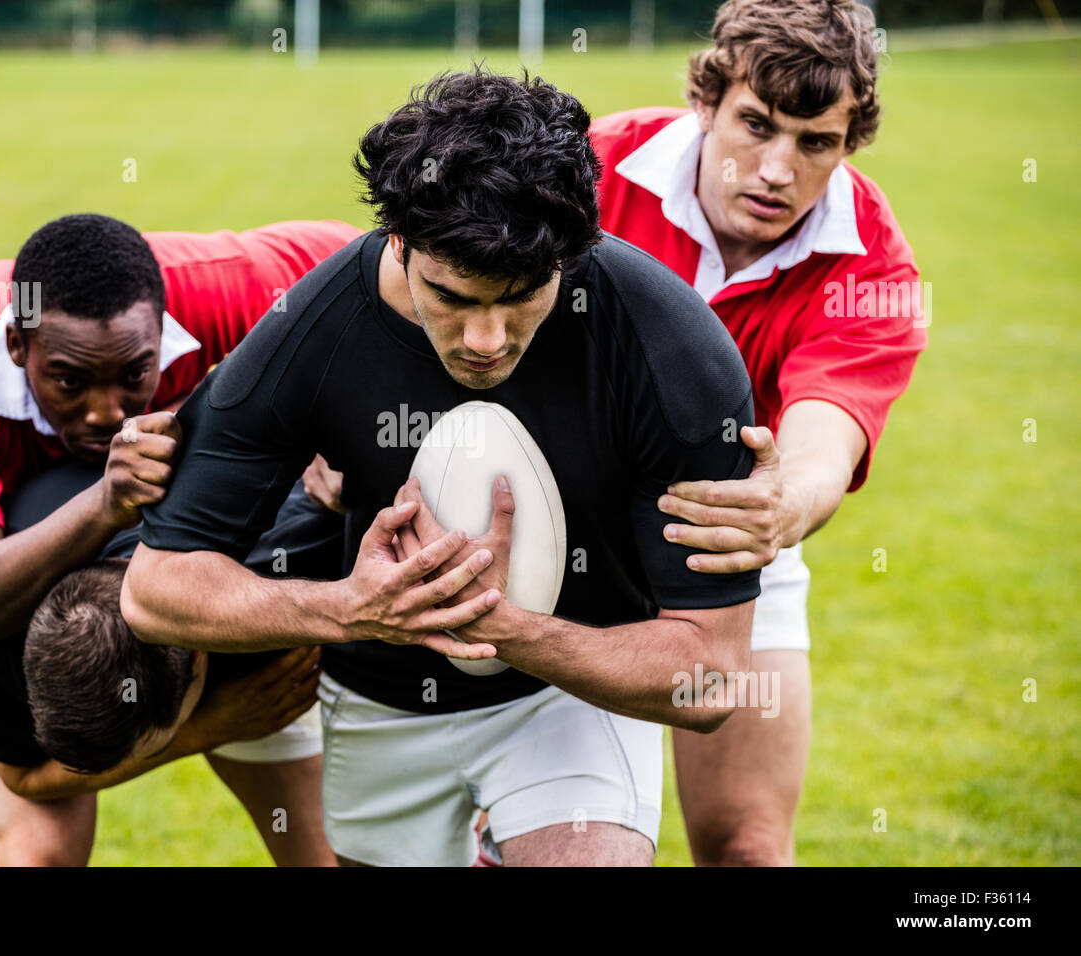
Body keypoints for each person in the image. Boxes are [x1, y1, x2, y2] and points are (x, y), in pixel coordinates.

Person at [120, 68, 762, 867]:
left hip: (575, 688)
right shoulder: (311, 333)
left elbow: (714, 673)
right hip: (381, 699)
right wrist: (354, 609)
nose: (487, 339)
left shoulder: (674, 352)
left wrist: (510, 631)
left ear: (575, 252)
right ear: (398, 240)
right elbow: (156, 588)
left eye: (521, 296)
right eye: (453, 297)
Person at [0, 212, 359, 864]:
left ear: (163, 331)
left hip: (112, 506)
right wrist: (106, 503)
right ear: (18, 346)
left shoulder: (224, 285)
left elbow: (384, 265)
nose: (108, 412)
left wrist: (342, 428)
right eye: (71, 382)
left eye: (135, 374)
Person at [587, 0, 927, 864]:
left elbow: (826, 435)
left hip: (733, 538)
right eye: (755, 125)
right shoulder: (588, 170)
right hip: (558, 529)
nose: (776, 168)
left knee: (747, 845)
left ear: (848, 144)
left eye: (816, 142)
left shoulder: (872, 264)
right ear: (706, 100)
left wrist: (782, 506)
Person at [0, 459, 344, 866]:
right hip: (46, 518)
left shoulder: (296, 552)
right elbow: (22, 776)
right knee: (36, 856)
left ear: (197, 656)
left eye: (150, 747)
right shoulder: (2, 615)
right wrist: (206, 729)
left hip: (258, 654)